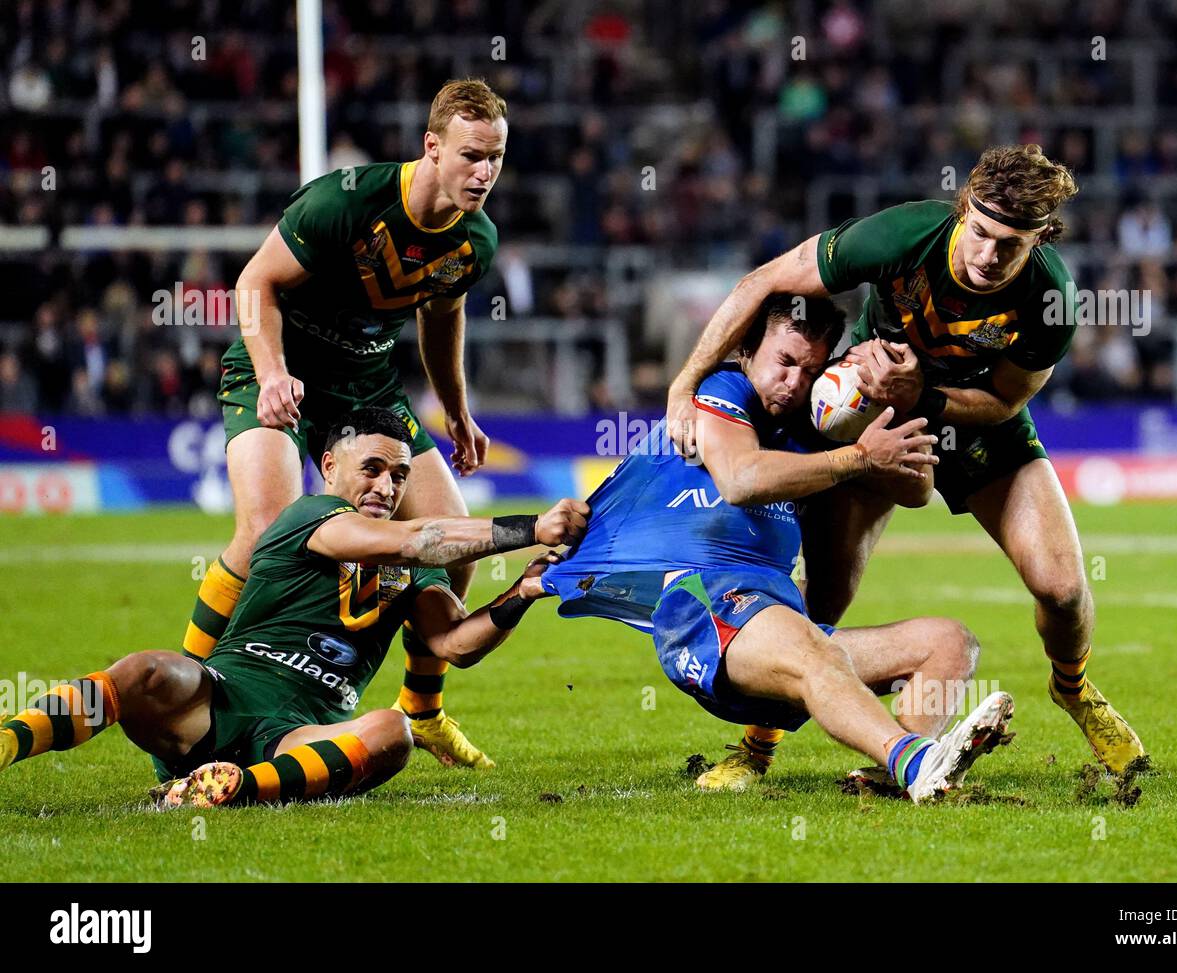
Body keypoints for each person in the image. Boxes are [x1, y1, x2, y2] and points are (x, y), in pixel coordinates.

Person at [665, 145, 1145, 777]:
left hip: (975, 419)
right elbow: (764, 282)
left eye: (1011, 244)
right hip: (873, 409)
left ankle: (1074, 689)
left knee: (1061, 589)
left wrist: (925, 394)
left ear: (1041, 239)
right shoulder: (901, 236)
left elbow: (1004, 400)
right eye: (979, 231)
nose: (987, 256)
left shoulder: (1052, 297)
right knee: (824, 600)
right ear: (961, 210)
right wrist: (685, 383)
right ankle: (757, 752)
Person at [541, 296, 1014, 799]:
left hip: (772, 621)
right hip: (703, 612)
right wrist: (856, 457)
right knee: (816, 652)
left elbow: (917, 492)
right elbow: (742, 481)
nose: (793, 383)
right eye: (784, 362)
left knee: (949, 643)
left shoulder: (819, 410)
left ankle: (896, 779)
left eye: (810, 370)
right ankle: (916, 762)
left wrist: (887, 402)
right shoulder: (721, 389)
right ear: (747, 350)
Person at [0, 408, 589, 807]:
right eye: (374, 469)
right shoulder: (308, 518)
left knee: (393, 733)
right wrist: (531, 527)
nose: (387, 487)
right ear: (330, 467)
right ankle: (9, 741)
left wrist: (523, 593)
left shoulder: (418, 571)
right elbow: (414, 538)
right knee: (145, 670)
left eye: (400, 476)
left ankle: (224, 790)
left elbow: (454, 646)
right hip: (218, 699)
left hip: (298, 735)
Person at [183, 79, 510, 768]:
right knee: (268, 533)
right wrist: (272, 372)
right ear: (433, 146)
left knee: (455, 554)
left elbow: (442, 317)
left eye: (496, 158)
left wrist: (455, 409)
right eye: (471, 155)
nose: (484, 173)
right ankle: (189, 694)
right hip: (278, 367)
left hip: (368, 389)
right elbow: (255, 282)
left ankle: (421, 708)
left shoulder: (476, 240)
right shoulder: (347, 199)